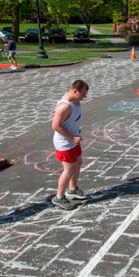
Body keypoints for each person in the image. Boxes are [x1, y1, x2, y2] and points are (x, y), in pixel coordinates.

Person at [51, 80, 89, 210]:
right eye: (82, 94)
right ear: (75, 91)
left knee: (78, 163)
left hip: (73, 140)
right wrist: (73, 137)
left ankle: (72, 190)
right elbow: (55, 126)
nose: (84, 97)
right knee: (68, 170)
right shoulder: (64, 106)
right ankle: (59, 197)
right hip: (64, 143)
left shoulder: (76, 102)